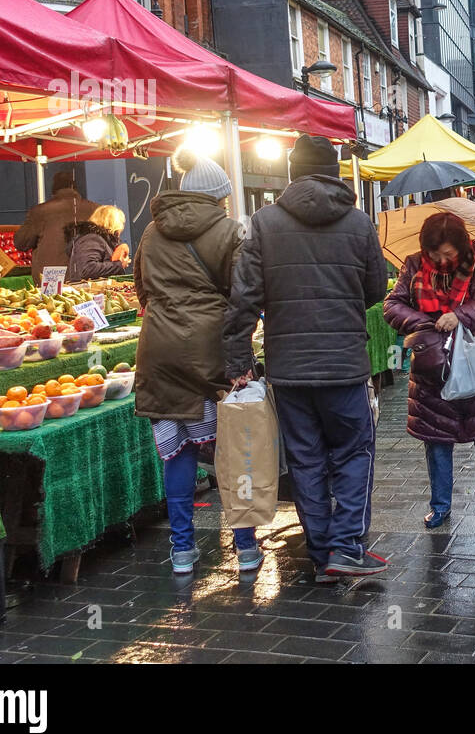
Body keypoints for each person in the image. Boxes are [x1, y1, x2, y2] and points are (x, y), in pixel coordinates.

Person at [223, 135, 390, 581]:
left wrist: (238, 361)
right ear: (335, 172)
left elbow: (243, 299)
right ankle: (346, 546)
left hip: (290, 369)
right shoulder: (359, 223)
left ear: (291, 173)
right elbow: (376, 289)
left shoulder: (264, 222)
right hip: (345, 366)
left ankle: (323, 554)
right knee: (354, 452)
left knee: (306, 459)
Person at [134, 151, 259, 574]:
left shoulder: (151, 232)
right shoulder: (229, 232)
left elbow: (142, 291)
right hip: (211, 353)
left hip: (159, 351)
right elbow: (243, 297)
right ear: (219, 197)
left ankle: (183, 550)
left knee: (179, 454)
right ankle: (245, 548)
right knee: (232, 451)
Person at [383, 212, 475, 536]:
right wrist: (425, 322)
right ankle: (440, 507)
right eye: (435, 255)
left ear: (461, 246)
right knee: (437, 439)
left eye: (448, 254)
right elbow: (392, 305)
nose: (442, 260)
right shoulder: (413, 264)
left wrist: (460, 315)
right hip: (433, 365)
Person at [14, 171, 97, 282]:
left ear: (54, 189)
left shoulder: (40, 211)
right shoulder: (96, 209)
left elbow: (21, 242)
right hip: (89, 277)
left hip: (51, 279)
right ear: (75, 188)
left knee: (53, 300)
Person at [65, 204, 130, 280]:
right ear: (114, 224)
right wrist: (119, 265)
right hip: (90, 290)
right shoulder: (92, 239)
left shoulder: (99, 239)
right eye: (121, 223)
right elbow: (87, 269)